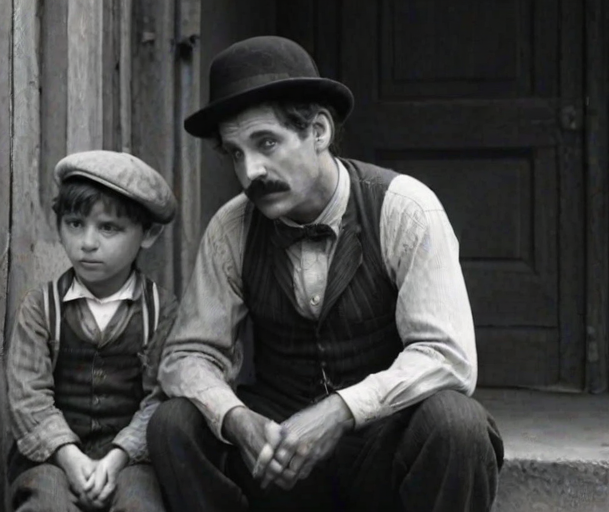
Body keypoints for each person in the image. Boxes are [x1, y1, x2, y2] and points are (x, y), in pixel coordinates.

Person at [147, 36, 504, 512]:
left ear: (318, 131)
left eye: (267, 143)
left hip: (382, 447)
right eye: (235, 153)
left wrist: (340, 410)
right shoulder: (231, 227)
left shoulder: (404, 208)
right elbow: (186, 357)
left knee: (457, 423)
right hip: (280, 459)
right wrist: (237, 419)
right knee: (174, 425)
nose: (251, 171)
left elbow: (449, 357)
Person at [6, 150, 178, 511]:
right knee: (46, 502)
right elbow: (29, 398)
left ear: (148, 233)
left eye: (108, 228)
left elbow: (160, 400)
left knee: (141, 503)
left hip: (130, 461)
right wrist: (70, 458)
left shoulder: (161, 312)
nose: (87, 242)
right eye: (74, 224)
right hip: (51, 460)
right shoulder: (41, 308)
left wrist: (116, 459)